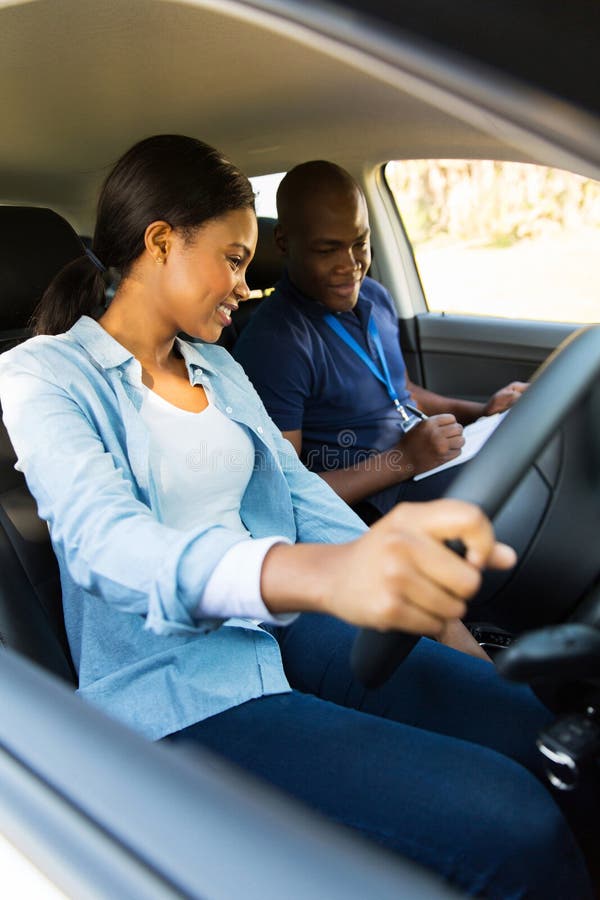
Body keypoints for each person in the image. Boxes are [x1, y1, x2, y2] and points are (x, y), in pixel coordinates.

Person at [0, 135, 593, 899]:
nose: (246, 287)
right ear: (161, 242)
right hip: (175, 689)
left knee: (534, 728)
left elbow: (306, 502)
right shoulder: (41, 375)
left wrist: (438, 617)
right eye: (234, 259)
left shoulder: (217, 366)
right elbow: (104, 544)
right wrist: (317, 576)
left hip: (281, 636)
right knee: (513, 822)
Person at [234, 160, 528, 521]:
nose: (351, 265)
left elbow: (402, 392)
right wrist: (403, 459)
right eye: (327, 250)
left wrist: (480, 412)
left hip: (420, 465)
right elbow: (287, 493)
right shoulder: (274, 343)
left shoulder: (373, 295)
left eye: (360, 243)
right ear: (284, 243)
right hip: (373, 506)